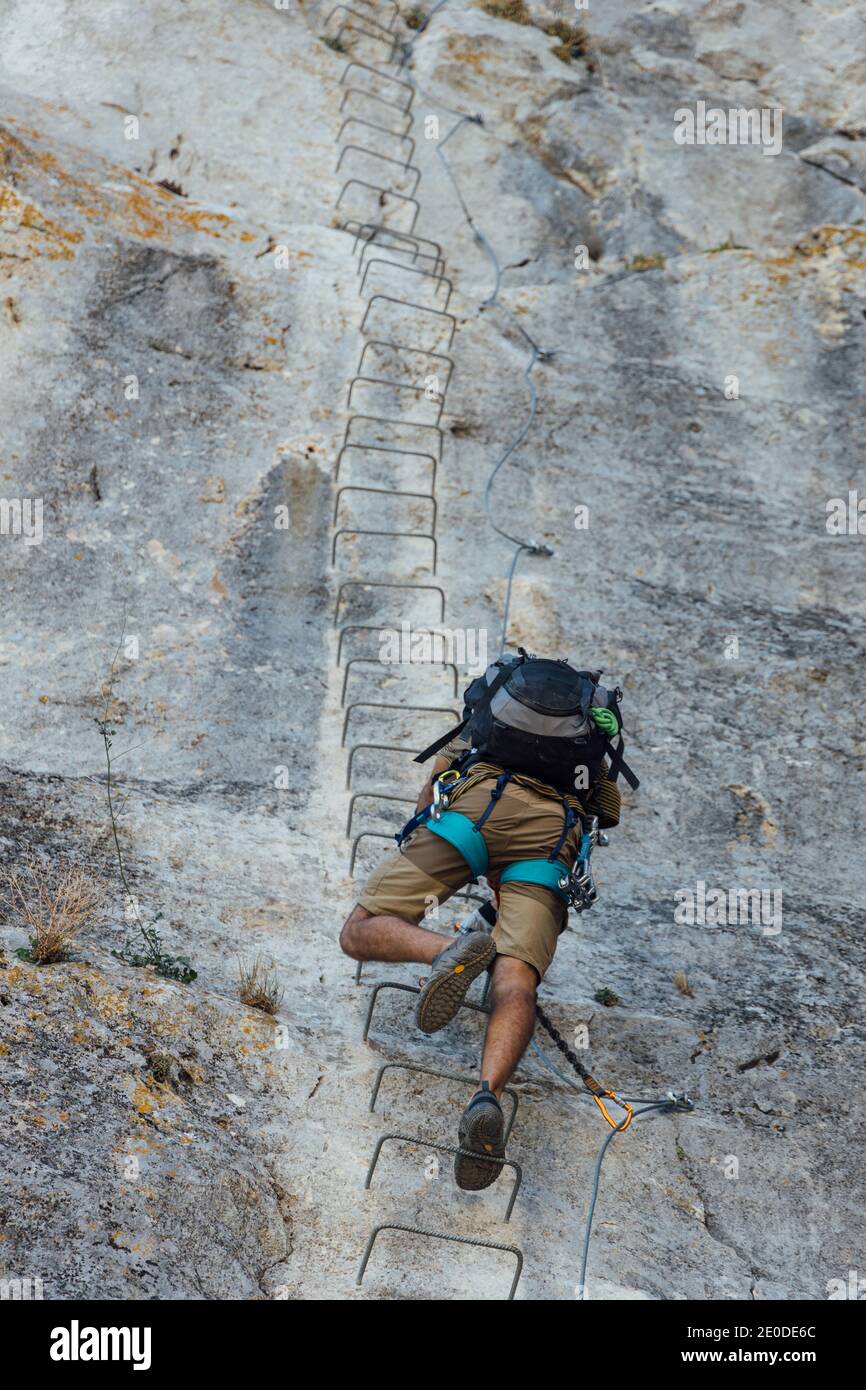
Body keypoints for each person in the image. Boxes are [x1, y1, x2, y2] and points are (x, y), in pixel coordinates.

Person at [340, 652, 631, 1191]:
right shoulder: (592, 731)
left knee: (362, 927)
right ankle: (486, 1096)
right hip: (550, 834)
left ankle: (441, 953)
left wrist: (429, 825)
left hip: (478, 804)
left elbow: (437, 780)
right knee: (515, 979)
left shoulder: (492, 709)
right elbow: (604, 811)